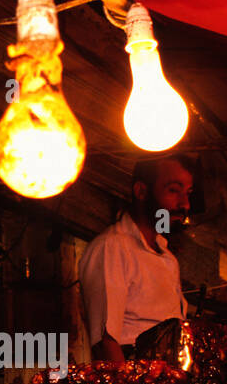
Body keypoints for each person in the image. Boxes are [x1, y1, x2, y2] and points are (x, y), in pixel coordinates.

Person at [78, 154, 193, 360]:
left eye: (188, 193)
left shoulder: (168, 258)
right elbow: (105, 342)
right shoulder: (112, 247)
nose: (184, 204)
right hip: (137, 379)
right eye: (173, 190)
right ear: (141, 191)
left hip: (168, 382)